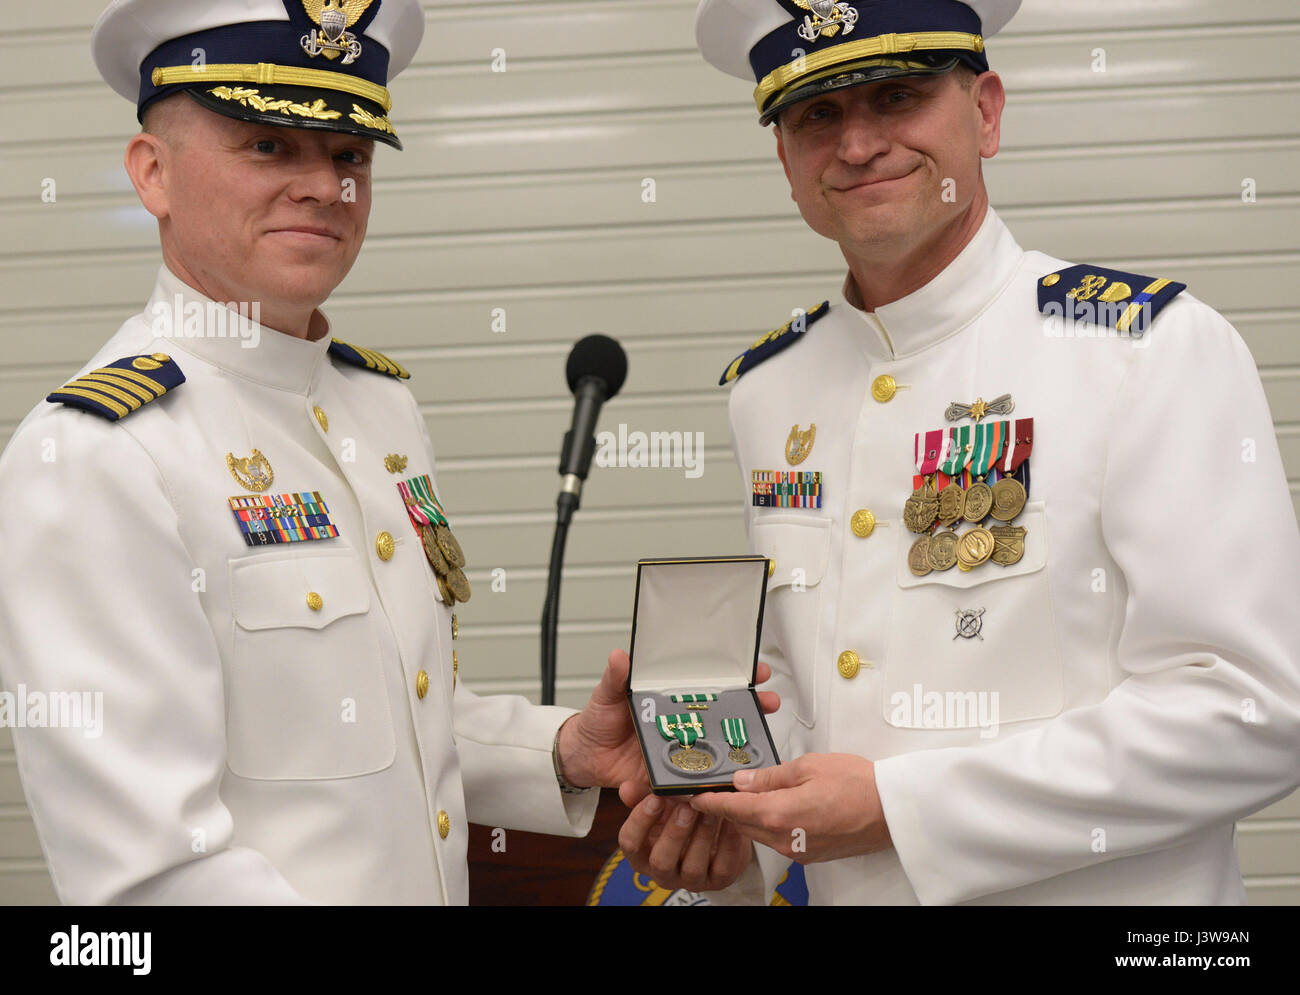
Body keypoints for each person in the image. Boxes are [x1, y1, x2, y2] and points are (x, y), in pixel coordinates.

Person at [619, 0, 1300, 904]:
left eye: (896, 97)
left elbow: (1253, 710)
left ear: (985, 112)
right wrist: (738, 834)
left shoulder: (1143, 348)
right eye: (817, 114)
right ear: (784, 158)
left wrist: (903, 809)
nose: (858, 145)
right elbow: (799, 684)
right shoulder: (768, 389)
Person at [0, 0, 658, 905]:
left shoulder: (375, 406)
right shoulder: (98, 454)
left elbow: (385, 725)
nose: (324, 186)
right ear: (151, 173)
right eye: (267, 145)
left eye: (349, 154)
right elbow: (148, 875)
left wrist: (562, 753)